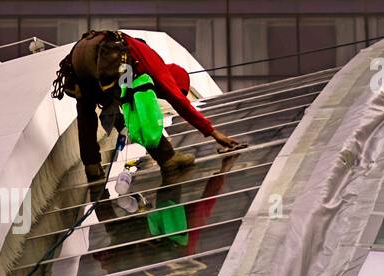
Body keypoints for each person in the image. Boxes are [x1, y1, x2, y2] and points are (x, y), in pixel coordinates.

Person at [52, 30, 245, 184]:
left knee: (86, 113)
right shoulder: (152, 63)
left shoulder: (131, 50)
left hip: (79, 56)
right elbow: (178, 101)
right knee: (131, 102)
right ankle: (168, 158)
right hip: (104, 58)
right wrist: (212, 132)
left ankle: (92, 167)